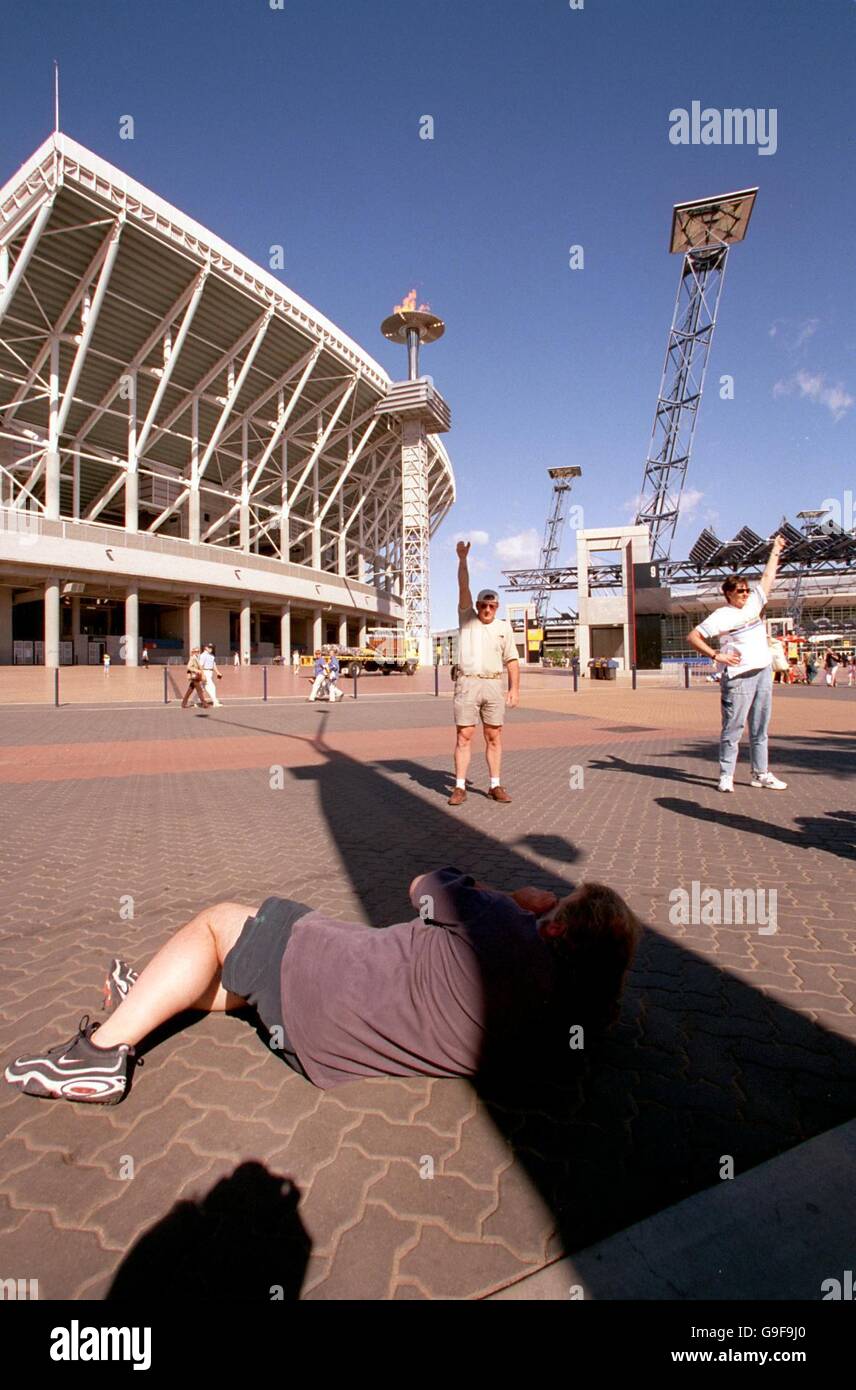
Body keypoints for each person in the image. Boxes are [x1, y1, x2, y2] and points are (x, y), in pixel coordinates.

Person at [4, 867, 642, 1105]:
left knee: (222, 922)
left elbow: (422, 882)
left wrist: (513, 897)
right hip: (341, 1045)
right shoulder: (567, 1027)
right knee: (245, 969)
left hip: (331, 984)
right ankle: (150, 995)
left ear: (557, 929)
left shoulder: (503, 926)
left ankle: (99, 1055)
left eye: (562, 906)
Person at [687, 535, 788, 793]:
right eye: (739, 591)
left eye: (746, 589)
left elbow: (767, 578)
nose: (745, 594)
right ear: (728, 594)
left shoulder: (754, 603)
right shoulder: (721, 616)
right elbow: (693, 636)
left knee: (760, 728)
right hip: (739, 677)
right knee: (733, 728)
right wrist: (716, 655)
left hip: (763, 671)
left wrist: (775, 550)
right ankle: (726, 775)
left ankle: (761, 773)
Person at [449, 540, 520, 806]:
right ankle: (459, 787)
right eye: (483, 605)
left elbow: (512, 660)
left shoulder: (504, 628)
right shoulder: (467, 619)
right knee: (464, 735)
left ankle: (495, 785)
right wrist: (463, 560)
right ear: (477, 605)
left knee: (494, 735)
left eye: (491, 606)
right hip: (467, 684)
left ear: (497, 607)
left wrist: (514, 689)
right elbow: (463, 586)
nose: (486, 610)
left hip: (493, 685)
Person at [198, 643, 222, 707]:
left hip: (210, 672)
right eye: (209, 647)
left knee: (201, 688)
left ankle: (194, 700)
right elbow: (200, 666)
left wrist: (218, 672)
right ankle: (215, 701)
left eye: (212, 648)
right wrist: (202, 674)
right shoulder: (203, 655)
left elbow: (213, 665)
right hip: (205, 672)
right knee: (211, 687)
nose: (211, 649)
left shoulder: (211, 655)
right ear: (205, 648)